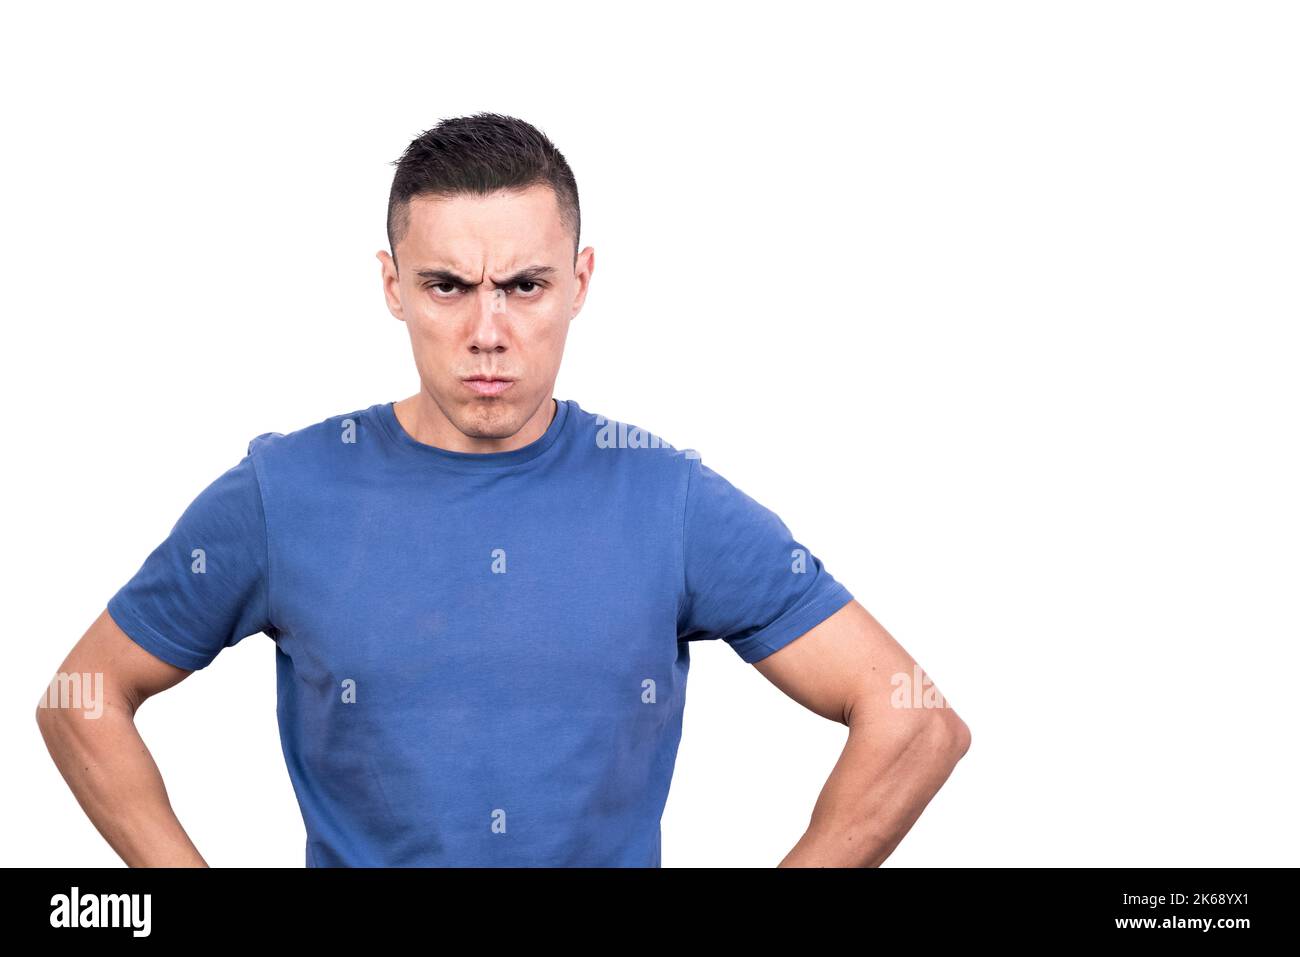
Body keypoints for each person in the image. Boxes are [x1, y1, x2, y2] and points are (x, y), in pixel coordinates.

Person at [36, 112, 970, 867]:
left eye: (525, 286)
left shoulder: (666, 499)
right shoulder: (284, 494)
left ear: (580, 281)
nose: (489, 330)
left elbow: (915, 722)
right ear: (392, 286)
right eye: (448, 287)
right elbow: (83, 694)